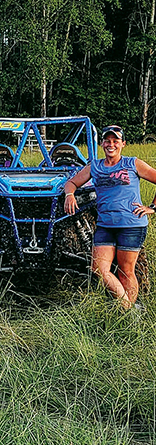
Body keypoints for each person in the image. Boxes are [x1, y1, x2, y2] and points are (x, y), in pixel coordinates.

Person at [64, 125, 156, 310]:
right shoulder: (95, 166)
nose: (111, 144)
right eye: (107, 141)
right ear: (102, 143)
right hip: (105, 225)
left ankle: (125, 313)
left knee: (126, 271)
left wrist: (152, 207)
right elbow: (71, 182)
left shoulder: (132, 163)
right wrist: (69, 195)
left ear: (123, 143)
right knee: (99, 268)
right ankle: (128, 309)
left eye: (115, 141)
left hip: (132, 224)